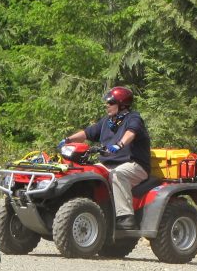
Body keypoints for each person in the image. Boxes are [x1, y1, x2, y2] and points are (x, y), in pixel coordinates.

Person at [59, 86, 151, 230]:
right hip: (108, 164)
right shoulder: (107, 121)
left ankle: (125, 217)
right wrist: (67, 140)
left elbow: (131, 133)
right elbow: (87, 133)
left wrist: (119, 145)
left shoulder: (133, 118)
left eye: (110, 103)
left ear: (121, 104)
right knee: (86, 172)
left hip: (134, 164)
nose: (107, 105)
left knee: (118, 175)